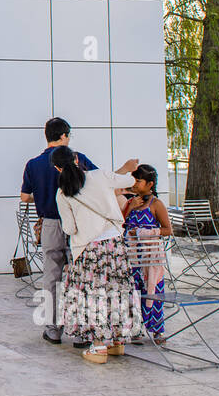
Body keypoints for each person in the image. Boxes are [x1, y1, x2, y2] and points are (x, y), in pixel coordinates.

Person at [53, 146, 144, 364]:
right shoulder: (100, 176)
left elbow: (69, 229)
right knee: (118, 291)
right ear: (76, 159)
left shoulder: (63, 193)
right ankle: (116, 342)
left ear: (57, 168)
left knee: (93, 296)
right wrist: (130, 168)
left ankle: (99, 346)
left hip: (88, 250)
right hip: (114, 245)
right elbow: (129, 182)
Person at [21, 118, 100, 347]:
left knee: (51, 276)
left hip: (50, 224)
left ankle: (53, 329)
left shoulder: (33, 164)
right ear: (64, 136)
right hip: (78, 224)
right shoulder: (77, 158)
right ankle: (82, 331)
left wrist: (44, 196)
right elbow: (95, 183)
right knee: (80, 275)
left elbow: (25, 196)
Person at [121, 164, 173, 344]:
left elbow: (167, 229)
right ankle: (135, 328)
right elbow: (119, 222)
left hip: (151, 256)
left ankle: (157, 329)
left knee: (153, 290)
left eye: (139, 181)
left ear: (150, 184)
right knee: (133, 292)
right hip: (132, 256)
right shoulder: (130, 203)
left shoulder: (156, 204)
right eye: (133, 180)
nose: (134, 184)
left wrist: (145, 233)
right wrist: (129, 208)